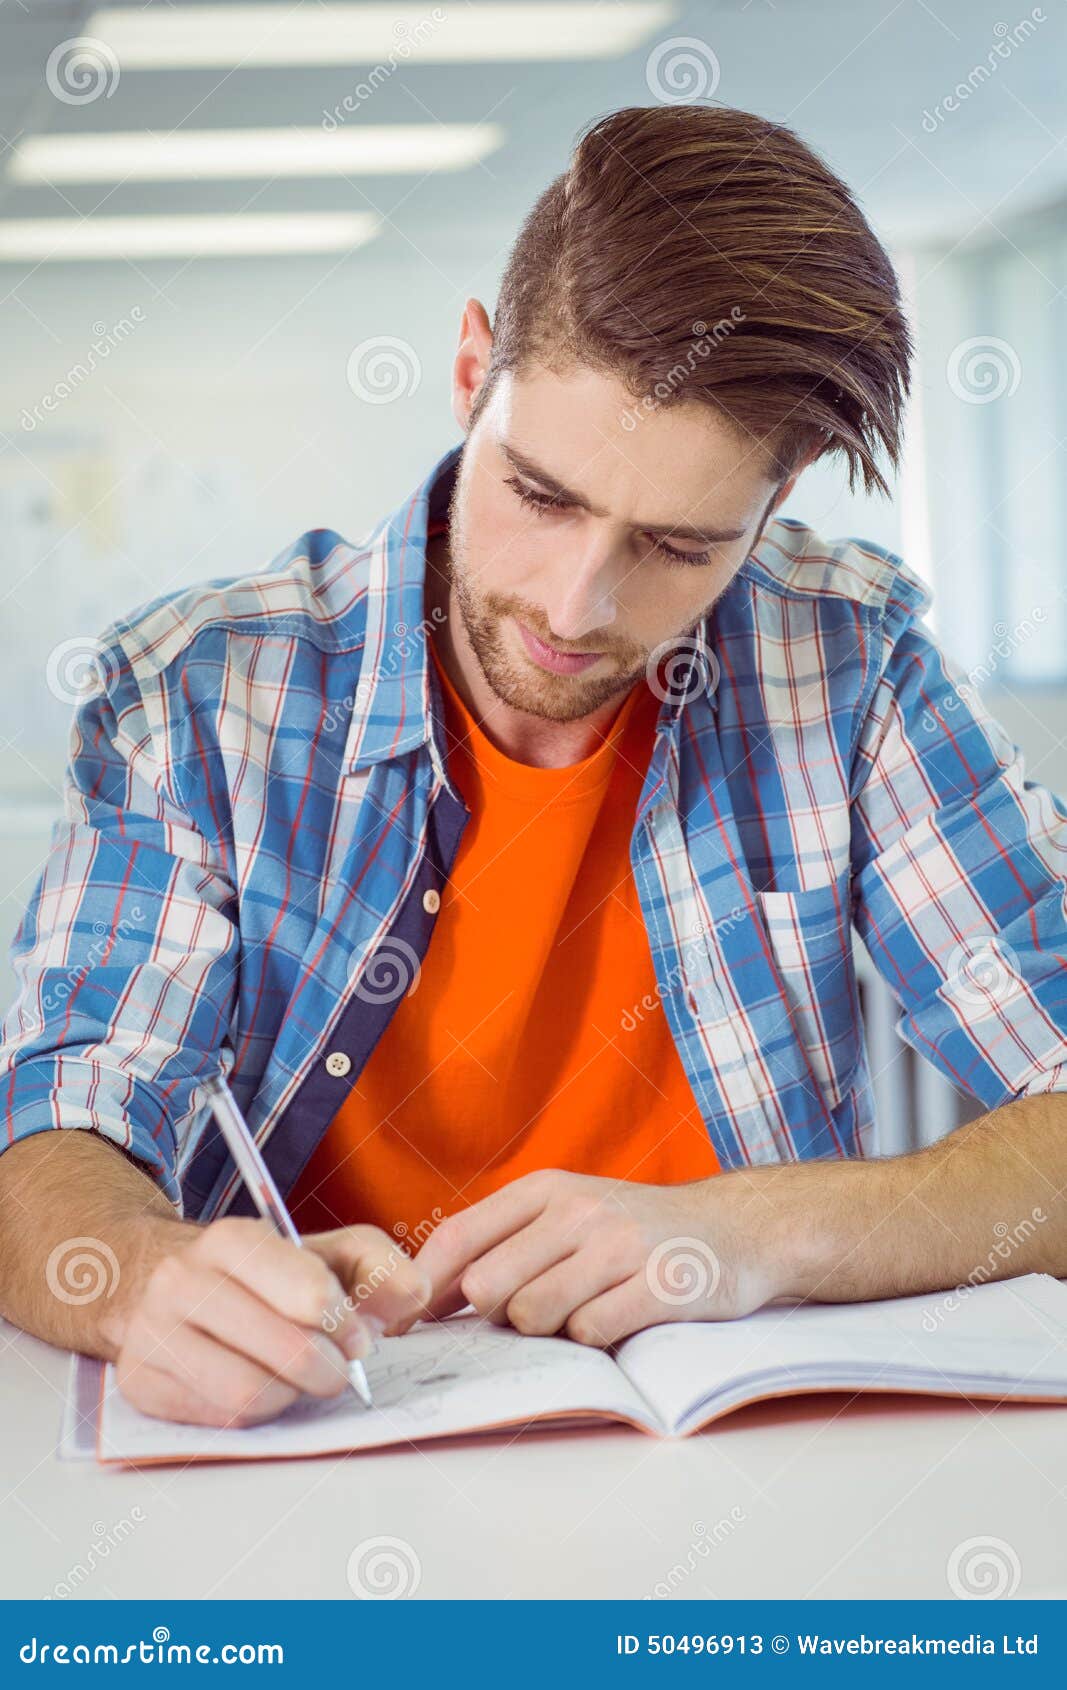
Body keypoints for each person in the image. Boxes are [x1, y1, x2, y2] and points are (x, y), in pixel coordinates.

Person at [2, 104, 1065, 1432]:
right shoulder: (199, 697)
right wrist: (145, 1278)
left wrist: (755, 1233)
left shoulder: (850, 663)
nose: (574, 604)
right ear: (470, 371)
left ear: (773, 505)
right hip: (319, 1452)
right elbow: (54, 1134)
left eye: (677, 544)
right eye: (544, 495)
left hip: (740, 1472)